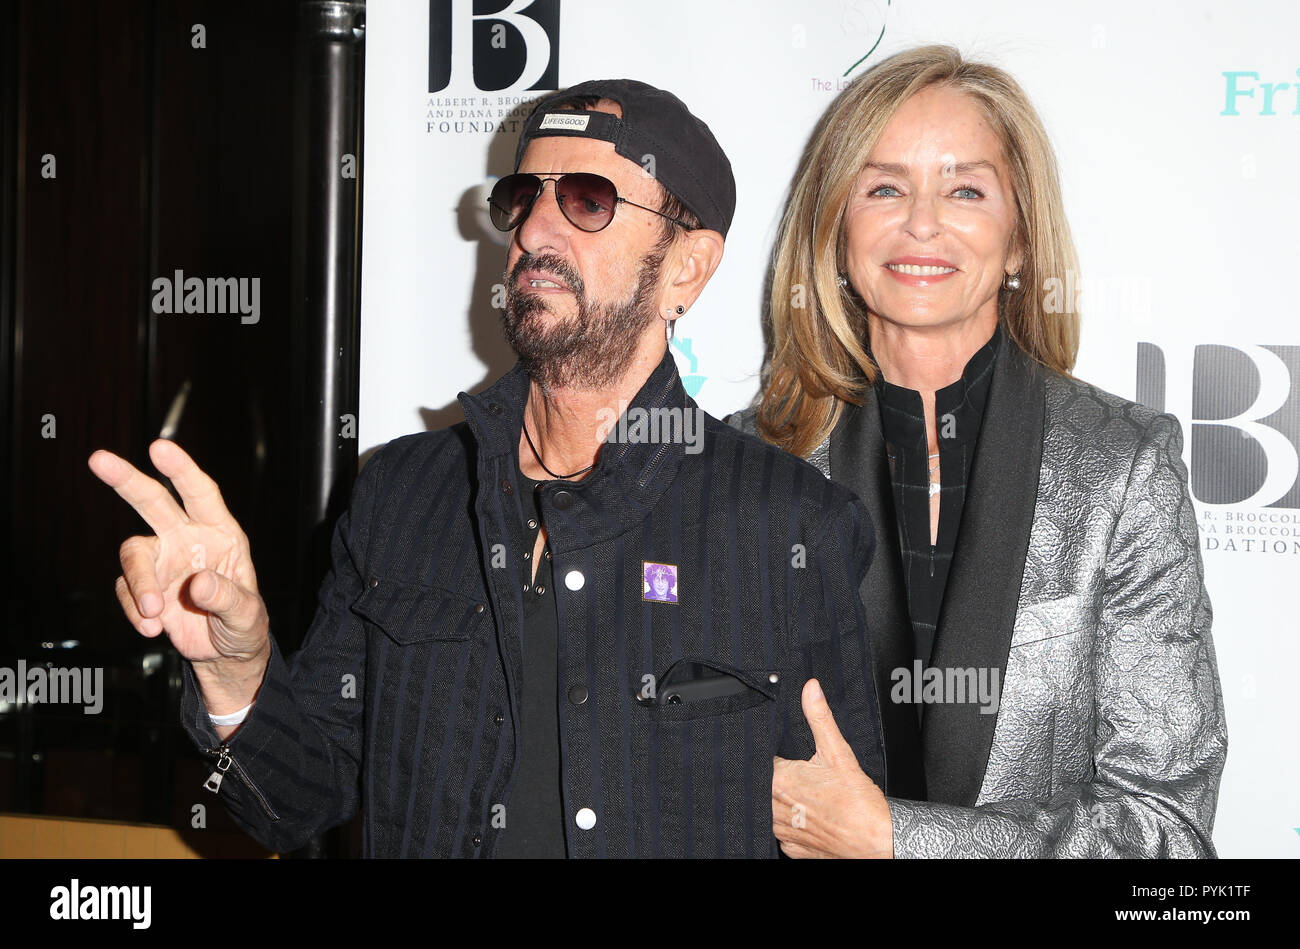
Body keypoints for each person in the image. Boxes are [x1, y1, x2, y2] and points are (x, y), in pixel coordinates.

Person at [89, 79, 887, 858]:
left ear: (687, 266)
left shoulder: (791, 525)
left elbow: (843, 828)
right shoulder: (400, 495)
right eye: (523, 197)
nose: (536, 229)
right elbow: (296, 803)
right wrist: (236, 672)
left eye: (586, 199)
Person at [729, 45, 1226, 857]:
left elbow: (1165, 828)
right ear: (834, 229)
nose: (922, 222)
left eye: (965, 189)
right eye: (884, 186)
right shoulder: (746, 464)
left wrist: (897, 838)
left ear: (1020, 238)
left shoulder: (1123, 470)